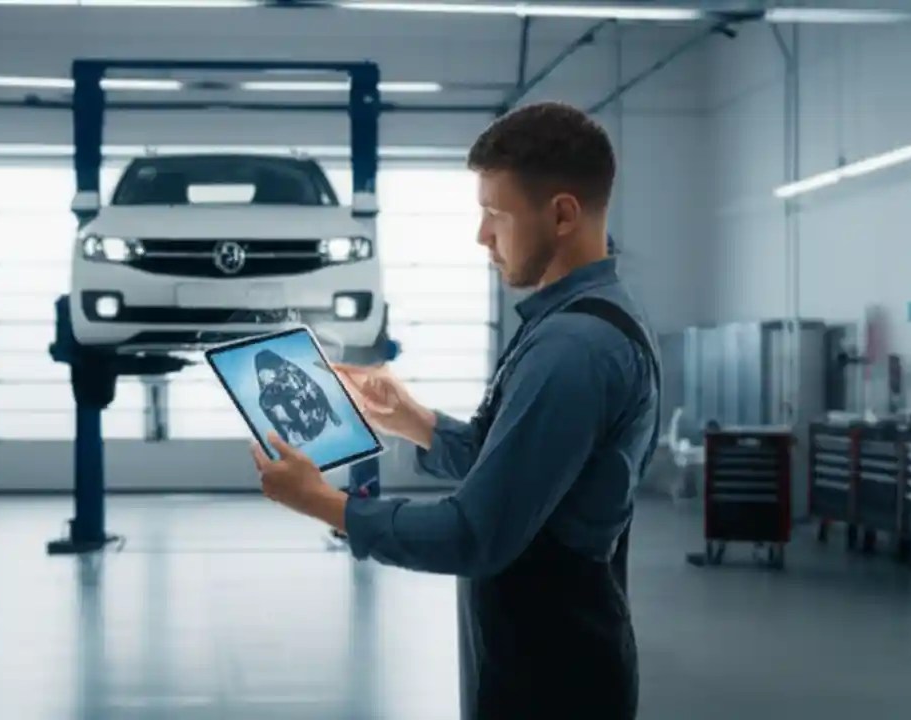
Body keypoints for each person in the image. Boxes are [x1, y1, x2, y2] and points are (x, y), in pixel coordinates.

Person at [249, 101, 660, 720]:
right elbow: (519, 472)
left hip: (554, 679)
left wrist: (322, 503)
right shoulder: (579, 322)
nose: (482, 236)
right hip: (538, 652)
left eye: (495, 214)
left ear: (563, 214)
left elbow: (474, 533)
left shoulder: (573, 348)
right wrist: (412, 419)